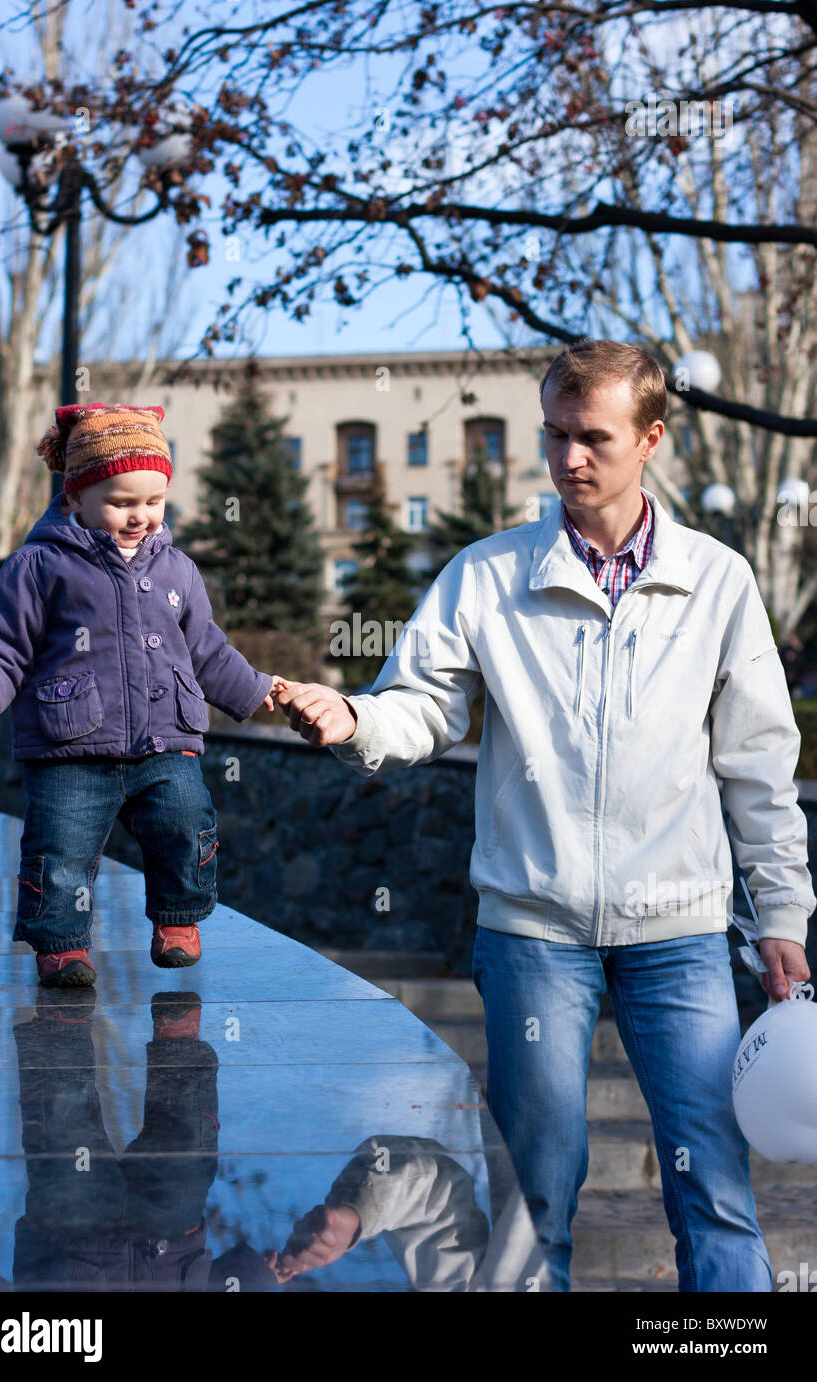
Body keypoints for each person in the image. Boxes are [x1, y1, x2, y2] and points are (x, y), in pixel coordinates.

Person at [274, 340, 816, 1292]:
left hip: (684, 933)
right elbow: (426, 706)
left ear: (650, 438)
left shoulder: (718, 580)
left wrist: (782, 914)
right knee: (537, 1202)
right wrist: (357, 714)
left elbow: (760, 769)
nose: (569, 458)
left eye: (593, 437)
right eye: (555, 435)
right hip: (531, 932)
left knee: (717, 1193)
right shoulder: (486, 577)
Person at [0, 402, 286, 988]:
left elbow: (205, 648)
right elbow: (4, 643)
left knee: (186, 820)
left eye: (153, 503)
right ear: (76, 497)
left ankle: (178, 919)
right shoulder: (41, 565)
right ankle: (61, 943)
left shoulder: (178, 569)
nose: (141, 517)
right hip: (72, 745)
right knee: (60, 852)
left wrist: (256, 692)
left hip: (165, 741)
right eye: (122, 503)